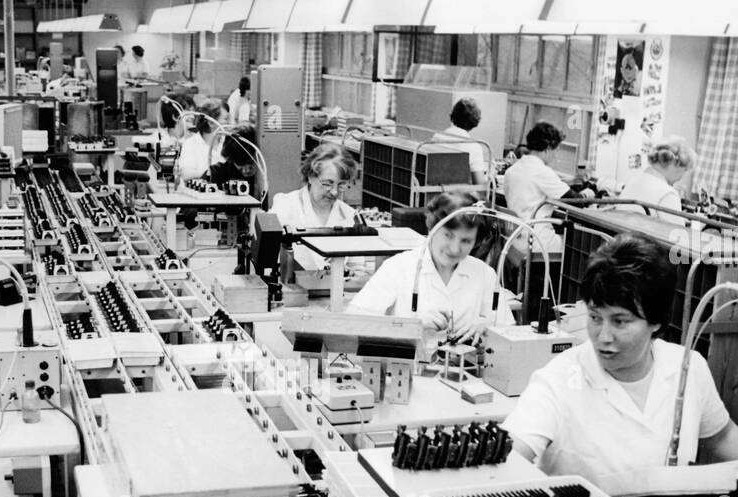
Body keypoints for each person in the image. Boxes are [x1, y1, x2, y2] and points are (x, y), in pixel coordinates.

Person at [503, 233, 738, 490]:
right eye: (594, 317)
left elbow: (722, 435)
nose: (603, 336)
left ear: (656, 320)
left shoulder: (688, 368)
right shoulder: (560, 378)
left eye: (620, 321)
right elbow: (510, 456)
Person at [349, 191, 515, 353]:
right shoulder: (399, 267)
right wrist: (411, 327)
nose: (455, 248)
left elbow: (509, 331)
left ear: (477, 241)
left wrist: (487, 328)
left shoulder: (484, 273)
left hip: (465, 375)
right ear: (432, 228)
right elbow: (354, 322)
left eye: (466, 241)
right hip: (408, 371)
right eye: (448, 236)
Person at [268, 143, 361, 276]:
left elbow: (357, 268)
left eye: (341, 185)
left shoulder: (350, 216)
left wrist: (349, 272)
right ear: (311, 176)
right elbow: (266, 258)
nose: (334, 192)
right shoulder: (285, 206)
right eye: (327, 184)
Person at [502, 121, 590, 253]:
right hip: (536, 241)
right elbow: (576, 202)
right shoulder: (541, 171)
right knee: (580, 247)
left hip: (513, 239)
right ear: (548, 149)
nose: (555, 156)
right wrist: (587, 195)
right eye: (556, 151)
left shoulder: (513, 169)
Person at [621, 138, 695, 222]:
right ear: (675, 165)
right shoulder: (668, 194)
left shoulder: (633, 181)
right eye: (685, 170)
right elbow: (677, 233)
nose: (681, 178)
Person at [432, 98, 487, 184]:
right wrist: (491, 174)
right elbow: (480, 186)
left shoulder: (437, 137)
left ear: (454, 115)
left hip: (436, 193)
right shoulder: (473, 147)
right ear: (475, 121)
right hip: (459, 195)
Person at [175, 99, 224, 186]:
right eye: (226, 119)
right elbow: (185, 173)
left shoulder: (228, 142)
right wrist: (212, 174)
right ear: (211, 123)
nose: (231, 122)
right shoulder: (191, 144)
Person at [206, 124, 259, 199]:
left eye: (250, 164)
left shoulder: (268, 177)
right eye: (240, 167)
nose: (246, 170)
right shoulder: (217, 173)